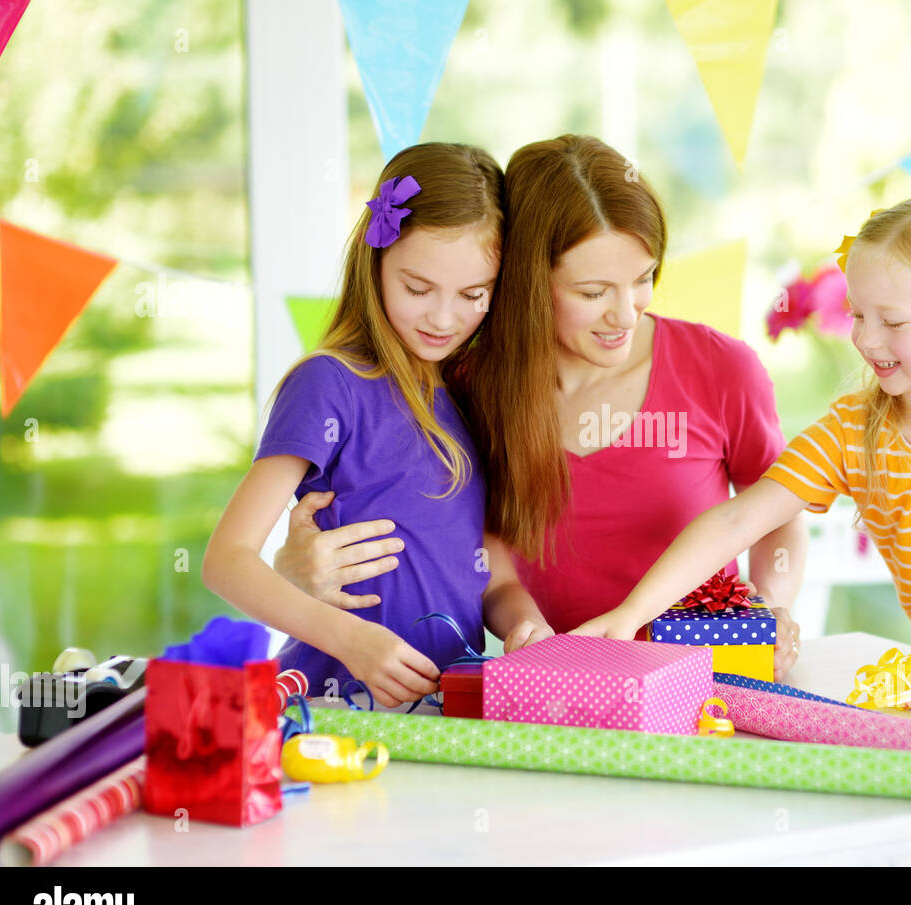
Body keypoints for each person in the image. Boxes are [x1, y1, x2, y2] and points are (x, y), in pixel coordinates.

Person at [271, 135, 808, 677]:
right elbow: (455, 549)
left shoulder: (720, 370)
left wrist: (769, 608)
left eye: (643, 278)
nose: (625, 314)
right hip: (553, 694)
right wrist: (294, 568)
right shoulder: (466, 385)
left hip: (708, 684)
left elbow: (776, 511)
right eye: (593, 292)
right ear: (529, 283)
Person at [574, 190, 911, 720]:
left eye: (894, 322)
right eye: (858, 315)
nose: (866, 339)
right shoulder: (857, 425)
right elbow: (740, 517)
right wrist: (632, 615)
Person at [202, 143, 553, 708]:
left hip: (446, 710)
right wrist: (352, 641)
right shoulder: (330, 384)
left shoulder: (470, 394)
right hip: (335, 704)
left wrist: (524, 624)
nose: (443, 318)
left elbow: (496, 575)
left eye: (472, 295)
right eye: (418, 288)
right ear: (376, 263)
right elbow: (227, 561)